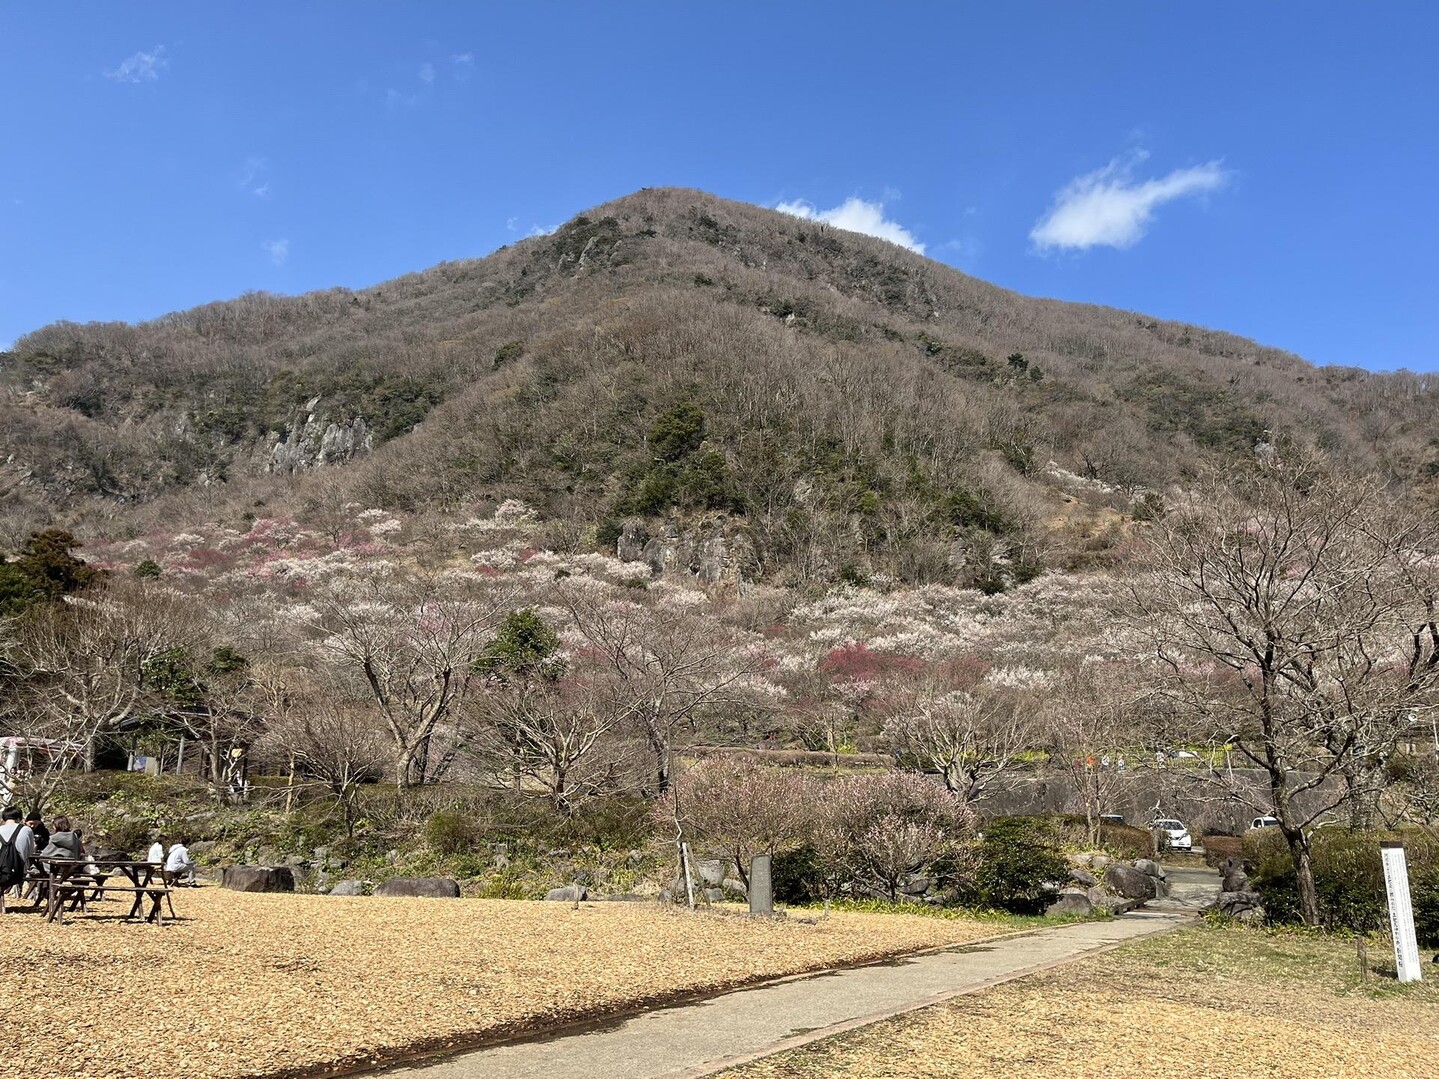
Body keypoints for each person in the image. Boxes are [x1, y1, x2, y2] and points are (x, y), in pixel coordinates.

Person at [0, 806, 38, 905]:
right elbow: (30, 853)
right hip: (18, 872)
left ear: (4, 818)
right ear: (19, 818)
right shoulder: (27, 830)